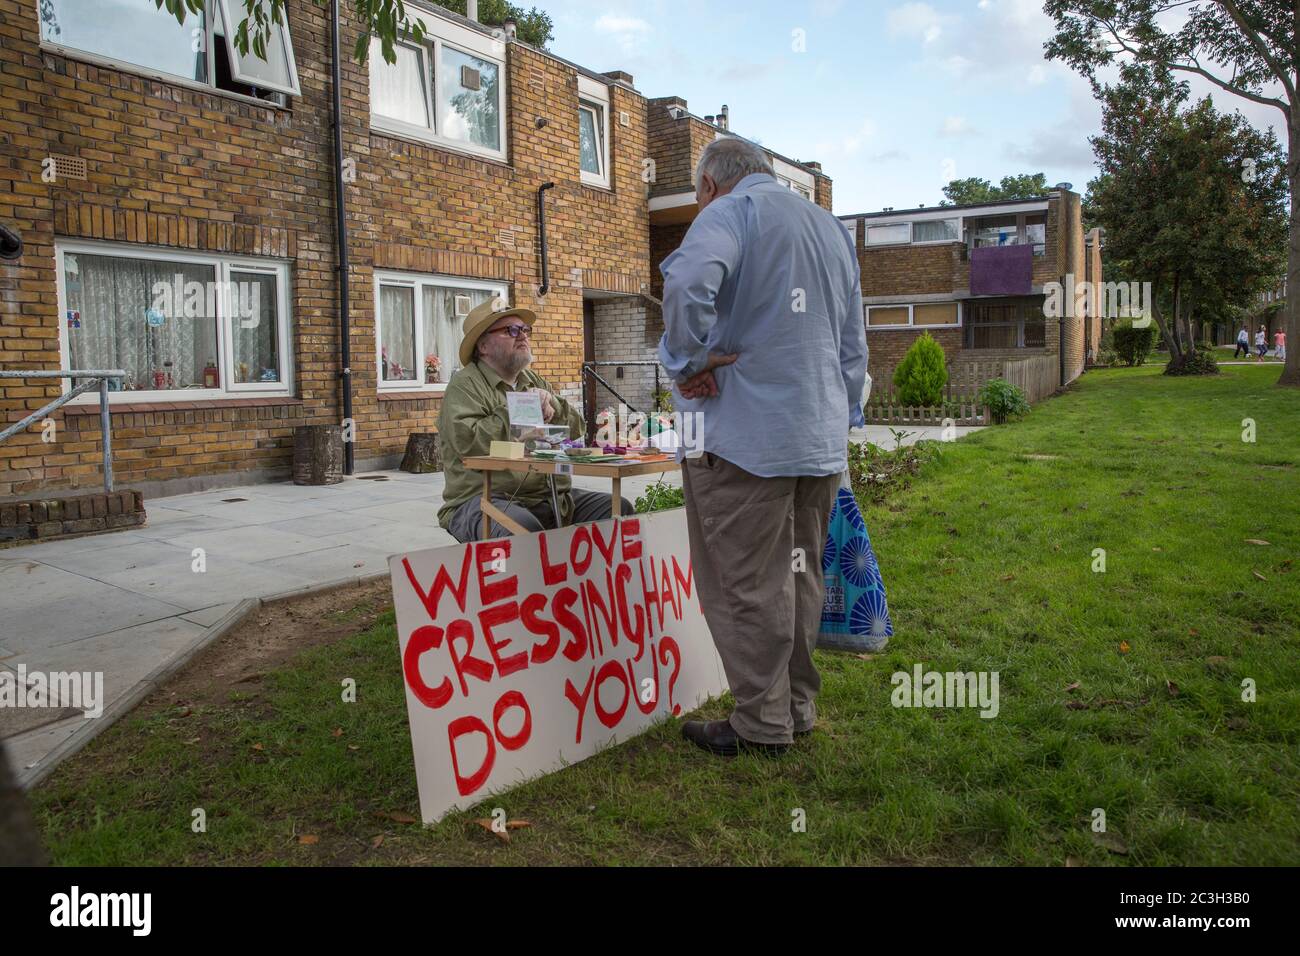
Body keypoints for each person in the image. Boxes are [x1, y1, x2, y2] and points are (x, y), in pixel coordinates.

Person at [658, 136, 867, 758]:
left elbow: (690, 282)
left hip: (744, 439)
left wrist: (687, 358)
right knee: (800, 577)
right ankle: (796, 708)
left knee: (744, 583)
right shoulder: (830, 230)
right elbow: (854, 345)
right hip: (818, 439)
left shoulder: (728, 213)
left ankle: (760, 723)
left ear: (708, 186)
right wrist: (842, 413)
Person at [438, 299, 632, 541]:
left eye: (525, 330)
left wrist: (551, 400)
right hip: (484, 499)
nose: (522, 336)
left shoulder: (534, 381)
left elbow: (576, 430)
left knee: (618, 510)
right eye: (511, 330)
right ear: (483, 345)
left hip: (551, 497)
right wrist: (518, 407)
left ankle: (587, 579)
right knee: (523, 530)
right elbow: (468, 444)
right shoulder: (465, 384)